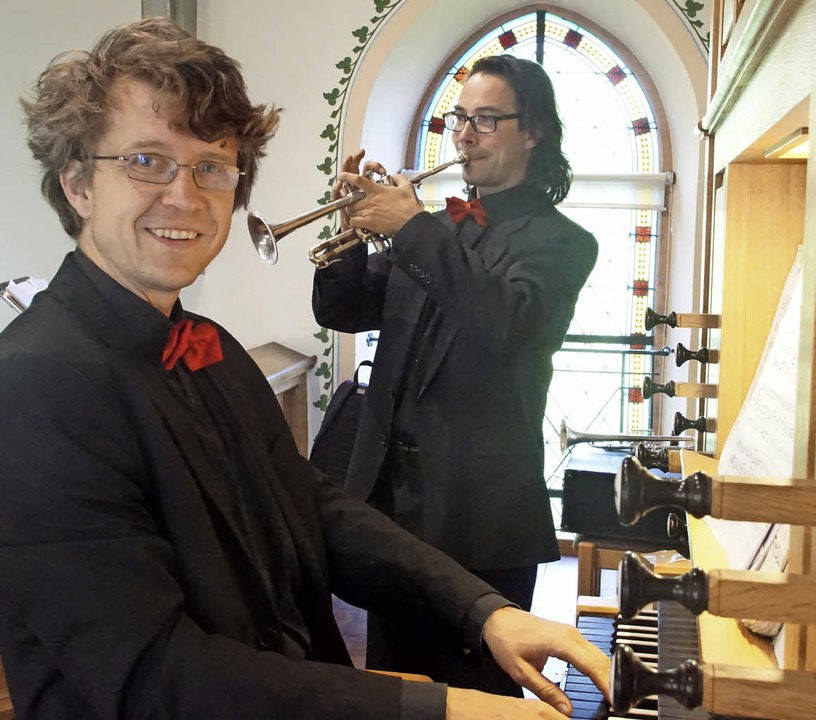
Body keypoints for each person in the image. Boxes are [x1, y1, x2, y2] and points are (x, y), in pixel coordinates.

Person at [0, 18, 610, 720]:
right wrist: (433, 708)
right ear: (77, 184)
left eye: (212, 168)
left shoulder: (211, 349)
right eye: (146, 161)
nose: (185, 196)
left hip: (476, 510)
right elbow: (154, 677)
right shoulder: (34, 385)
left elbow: (309, 506)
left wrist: (482, 612)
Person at [312, 55, 599, 694]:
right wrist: (350, 234)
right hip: (393, 506)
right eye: (459, 118)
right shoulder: (434, 229)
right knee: (400, 686)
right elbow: (343, 309)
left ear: (534, 132)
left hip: (481, 513)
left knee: (478, 693)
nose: (464, 135)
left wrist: (410, 228)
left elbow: (505, 324)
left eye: (487, 120)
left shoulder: (563, 241)